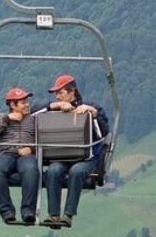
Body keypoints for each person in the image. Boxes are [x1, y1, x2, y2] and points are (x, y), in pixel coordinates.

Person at [37, 75, 109, 229]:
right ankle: (54, 215)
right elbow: (31, 115)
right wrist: (52, 106)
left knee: (77, 172)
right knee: (53, 171)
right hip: (62, 156)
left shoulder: (90, 107)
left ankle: (68, 215)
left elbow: (103, 133)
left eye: (60, 93)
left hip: (86, 158)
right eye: (55, 94)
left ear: (72, 92)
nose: (57, 96)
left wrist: (92, 113)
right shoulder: (55, 110)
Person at [0, 87, 38, 225]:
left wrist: (31, 149)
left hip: (26, 154)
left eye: (27, 102)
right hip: (7, 153)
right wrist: (7, 118)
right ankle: (7, 211)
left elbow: (42, 139)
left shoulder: (33, 119)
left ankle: (28, 211)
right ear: (12, 105)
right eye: (23, 102)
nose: (27, 104)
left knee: (31, 169)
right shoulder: (2, 118)